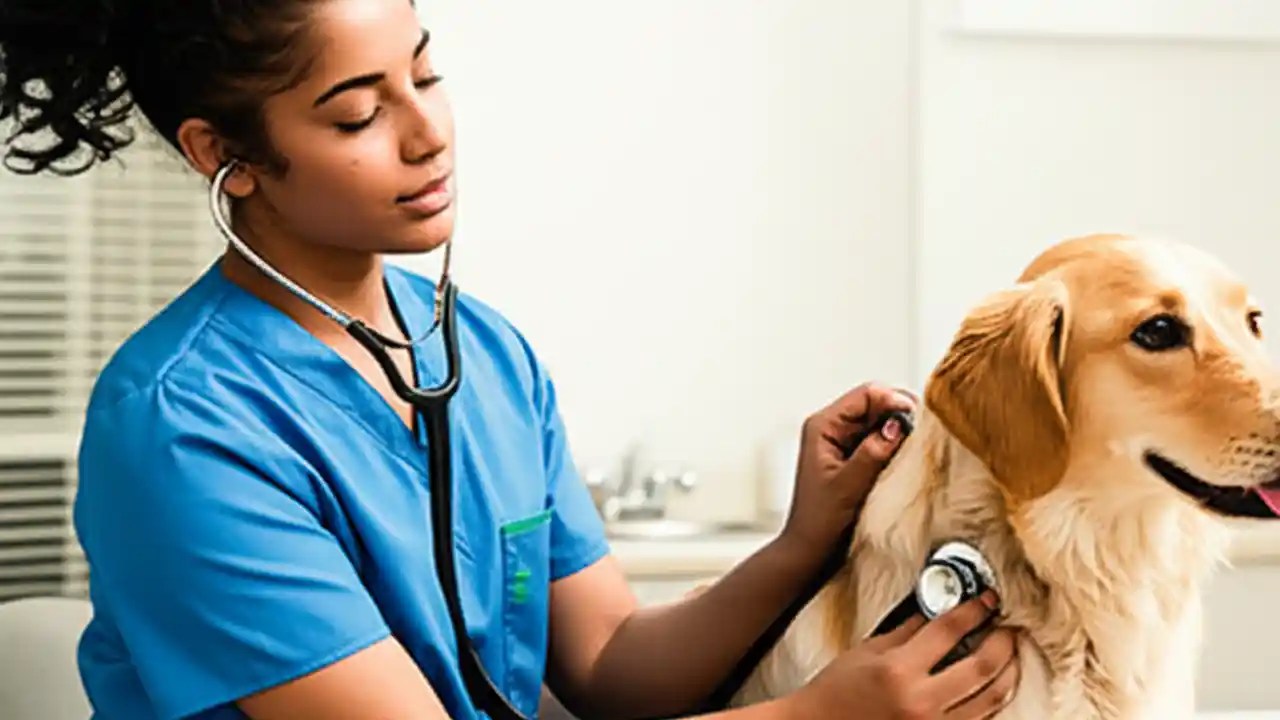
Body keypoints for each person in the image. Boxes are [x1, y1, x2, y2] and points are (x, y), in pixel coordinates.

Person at [0, 1, 1020, 718]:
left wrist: (805, 538)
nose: (426, 133)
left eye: (425, 74)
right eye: (356, 113)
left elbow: (612, 666)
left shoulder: (481, 353)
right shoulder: (181, 426)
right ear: (222, 158)